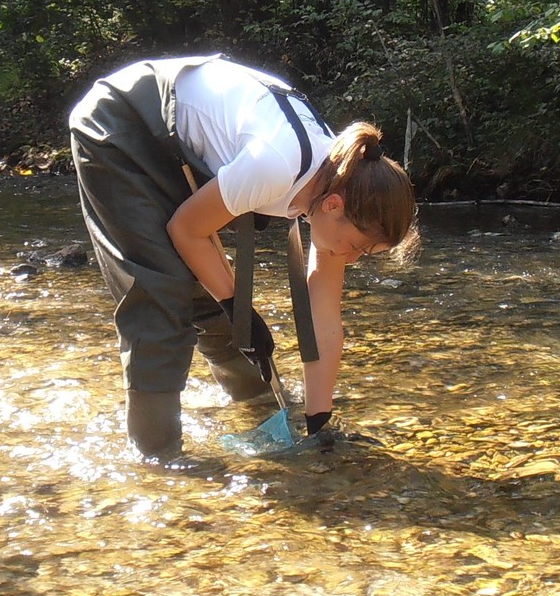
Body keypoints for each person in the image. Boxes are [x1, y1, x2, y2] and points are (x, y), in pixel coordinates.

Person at [69, 54, 418, 460]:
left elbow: (323, 324)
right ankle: (159, 459)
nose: (352, 259)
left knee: (210, 292)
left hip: (175, 147)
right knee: (161, 295)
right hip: (122, 122)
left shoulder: (341, 181)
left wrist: (318, 423)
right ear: (335, 206)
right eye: (357, 247)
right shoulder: (277, 165)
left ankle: (260, 407)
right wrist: (238, 306)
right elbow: (186, 229)